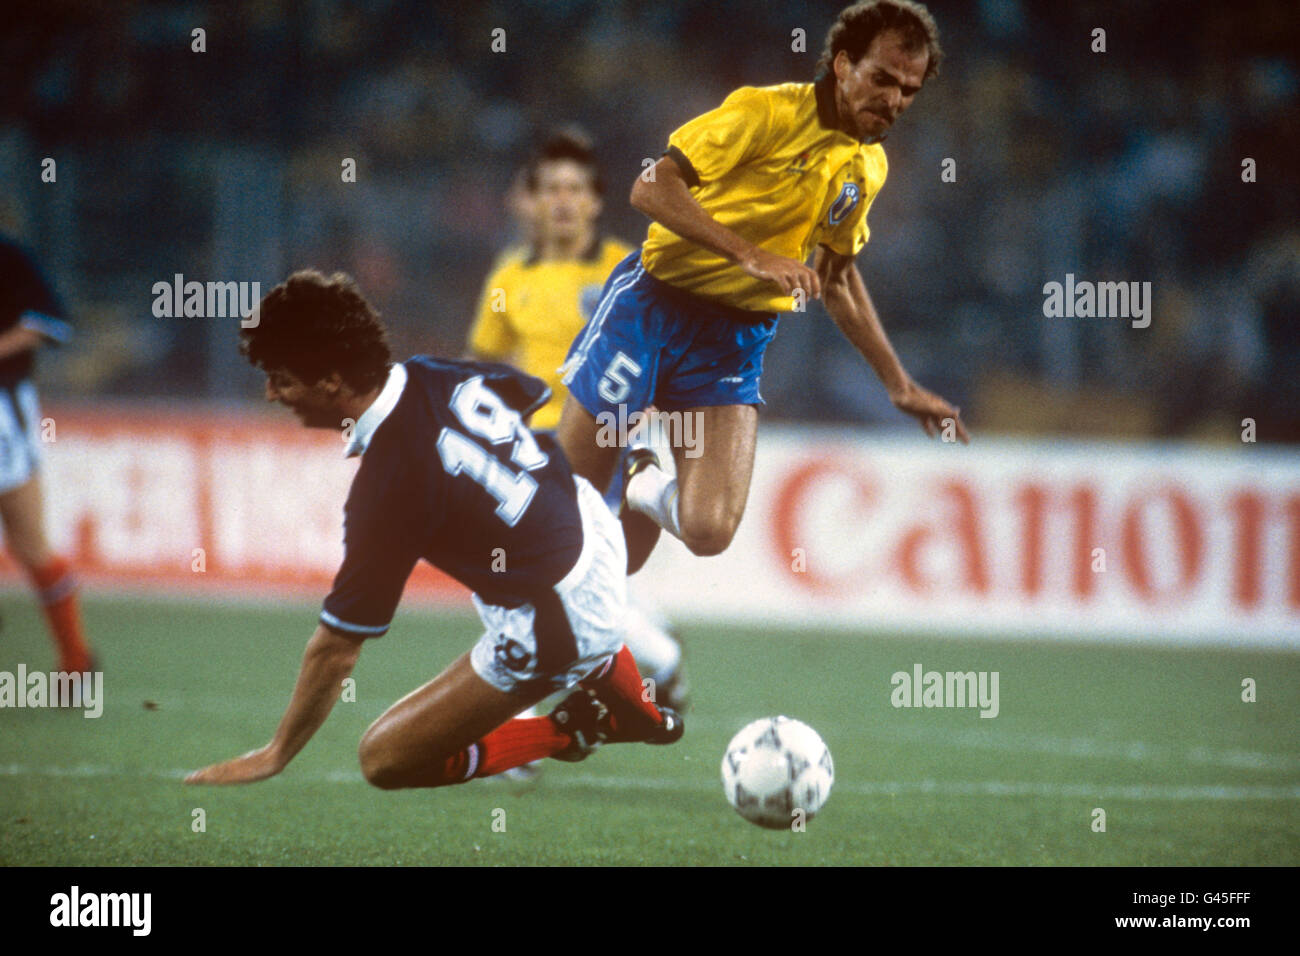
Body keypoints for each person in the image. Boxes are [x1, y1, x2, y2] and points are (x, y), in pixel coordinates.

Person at [186, 270, 682, 789]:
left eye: (281, 377)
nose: (270, 393)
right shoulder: (432, 372)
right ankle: (640, 710)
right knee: (522, 585)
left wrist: (276, 753)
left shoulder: (387, 483)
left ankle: (566, 732)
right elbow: (526, 392)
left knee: (385, 759)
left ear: (331, 381)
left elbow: (337, 648)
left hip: (559, 618)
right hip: (588, 528)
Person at [556, 0, 969, 573]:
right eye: (882, 79)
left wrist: (898, 384)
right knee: (563, 518)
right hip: (652, 306)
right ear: (844, 64)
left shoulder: (867, 170)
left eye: (909, 90)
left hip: (734, 338)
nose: (894, 101)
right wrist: (750, 255)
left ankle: (640, 476)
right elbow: (650, 187)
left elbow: (839, 278)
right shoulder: (766, 112)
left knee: (708, 530)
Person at [468, 129, 689, 710]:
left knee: (549, 579)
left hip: (602, 440)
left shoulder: (627, 266)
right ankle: (658, 657)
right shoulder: (510, 275)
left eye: (575, 189)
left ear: (594, 201)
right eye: (551, 190)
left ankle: (524, 716)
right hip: (529, 448)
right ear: (533, 202)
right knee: (547, 581)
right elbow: (486, 362)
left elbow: (663, 350)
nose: (563, 201)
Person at [0, 233, 94, 674]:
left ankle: (76, 658)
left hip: (3, 410)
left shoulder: (9, 256)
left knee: (28, 541)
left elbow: (48, 321)